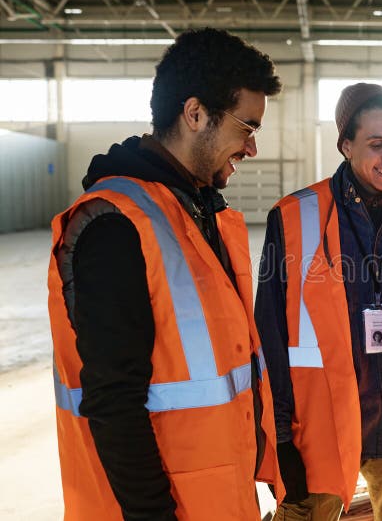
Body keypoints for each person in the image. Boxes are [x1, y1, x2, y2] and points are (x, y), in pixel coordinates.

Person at [48, 28, 282, 520]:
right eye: (247, 127)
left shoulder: (196, 212)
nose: (251, 148)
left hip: (216, 499)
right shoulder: (115, 224)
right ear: (196, 114)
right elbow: (114, 403)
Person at [255, 83, 382, 520]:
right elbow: (269, 339)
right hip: (318, 435)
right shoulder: (294, 218)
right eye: (377, 144)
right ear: (345, 144)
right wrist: (279, 440)